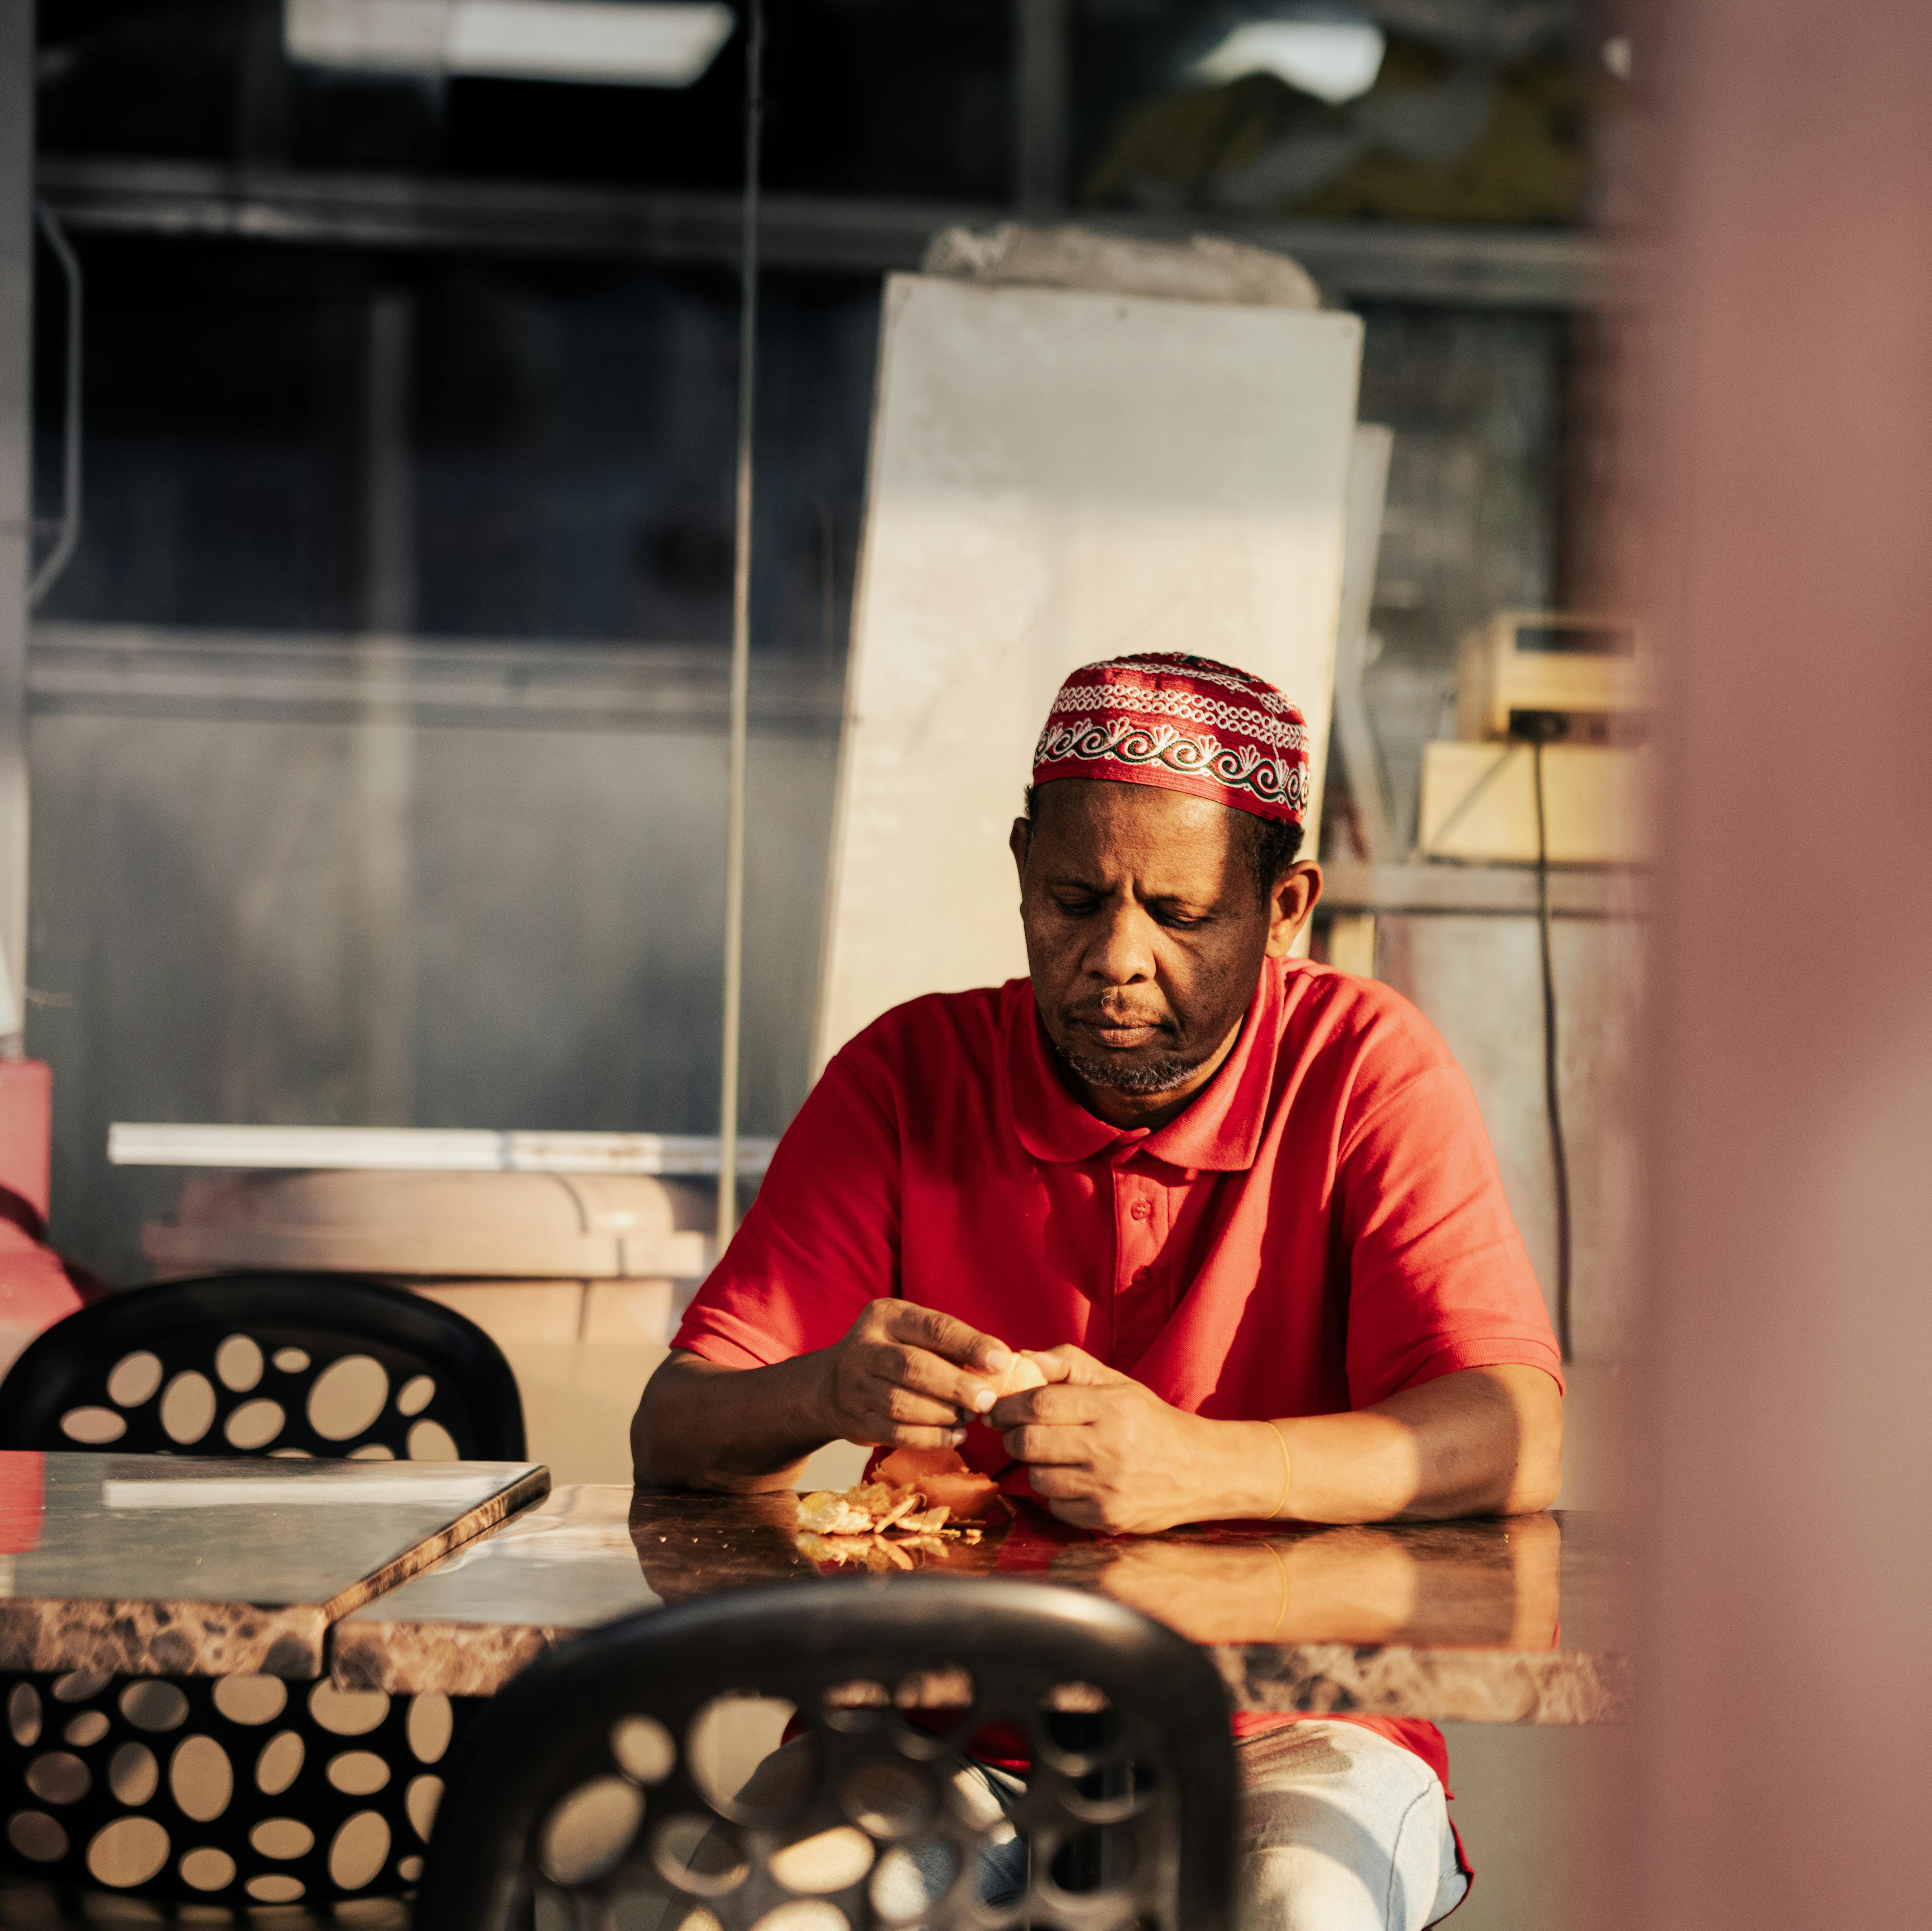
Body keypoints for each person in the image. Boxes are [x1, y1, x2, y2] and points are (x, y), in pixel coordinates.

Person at [631, 650, 1566, 1931]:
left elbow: (1516, 1431)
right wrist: (820, 1390)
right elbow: (674, 1436)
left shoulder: (1366, 1071)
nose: (1116, 958)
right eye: (1075, 899)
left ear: (1283, 907)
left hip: (1292, 1726)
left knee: (1303, 1908)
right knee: (757, 1912)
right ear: (1023, 870)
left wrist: (1202, 1467)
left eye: (1179, 916)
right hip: (929, 1731)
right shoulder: (907, 1077)